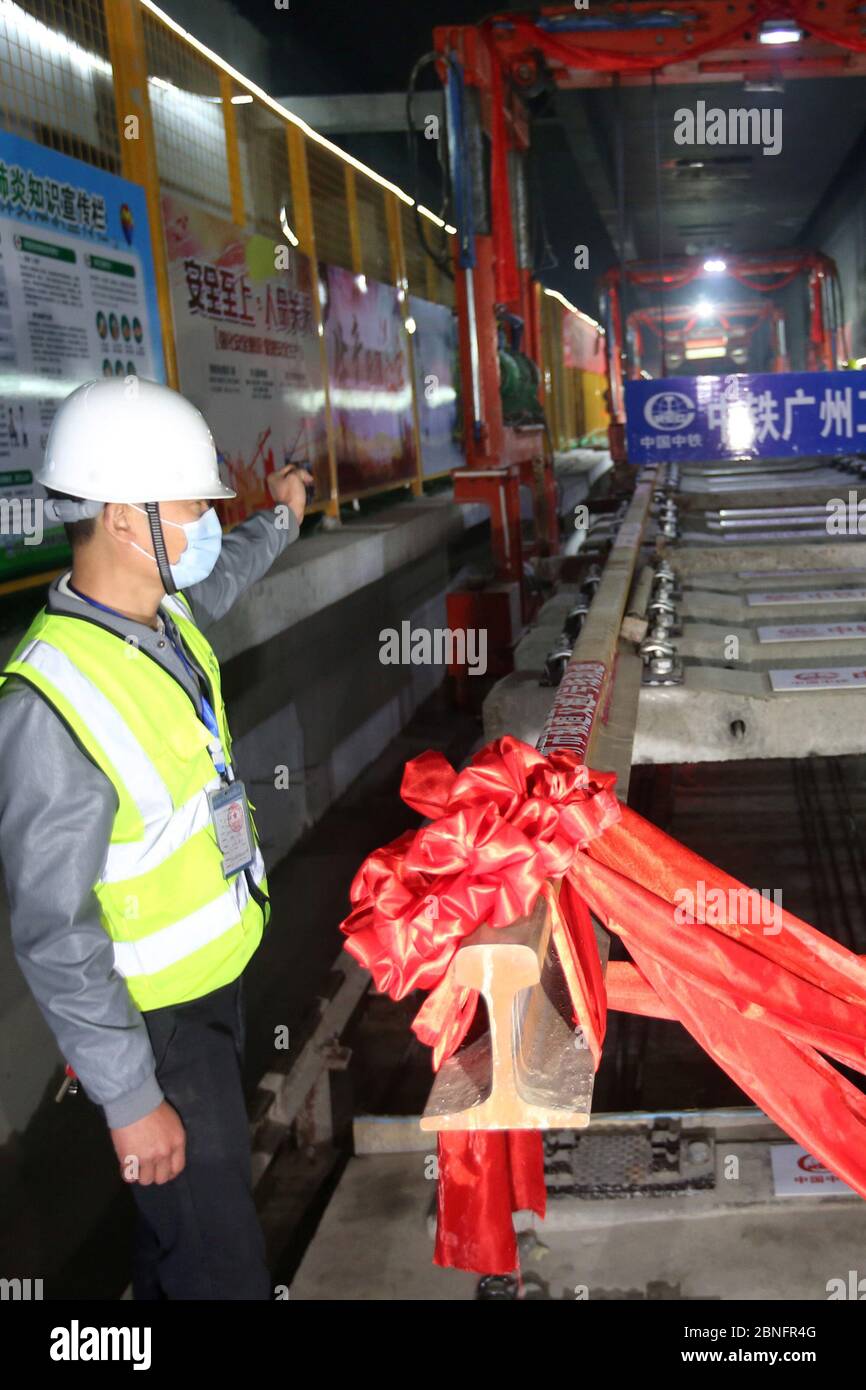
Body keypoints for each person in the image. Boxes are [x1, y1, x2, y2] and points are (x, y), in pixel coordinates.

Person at [0, 377, 312, 1300]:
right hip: (154, 1027)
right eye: (190, 506)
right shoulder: (49, 702)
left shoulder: (157, 615)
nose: (205, 522)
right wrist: (132, 1101)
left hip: (210, 989)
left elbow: (225, 570)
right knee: (224, 1271)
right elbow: (54, 933)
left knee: (176, 1236)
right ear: (123, 519)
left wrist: (283, 519)